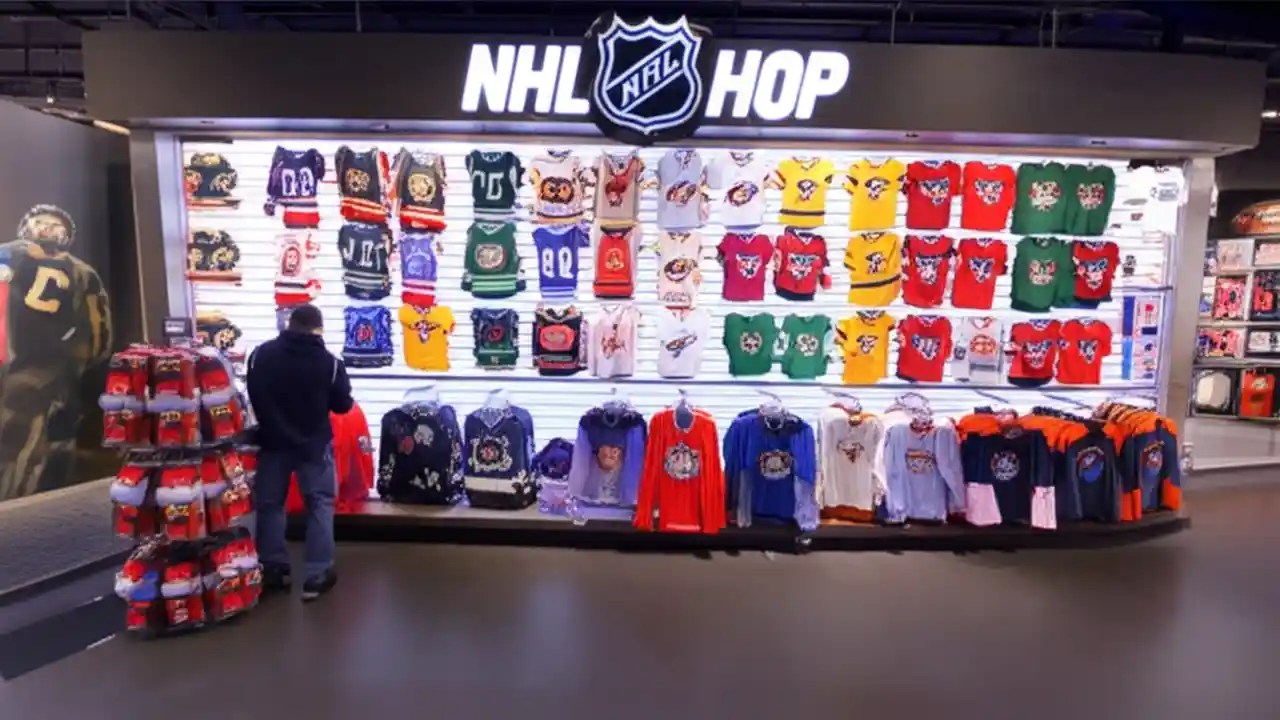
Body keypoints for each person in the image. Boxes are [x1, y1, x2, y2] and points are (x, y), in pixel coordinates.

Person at [246, 303, 353, 601]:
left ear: (289, 324)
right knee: (318, 504)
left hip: (272, 442)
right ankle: (317, 575)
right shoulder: (329, 363)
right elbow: (343, 404)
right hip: (314, 444)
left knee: (270, 505)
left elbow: (252, 393)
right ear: (318, 328)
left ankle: (273, 568)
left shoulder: (260, 356)